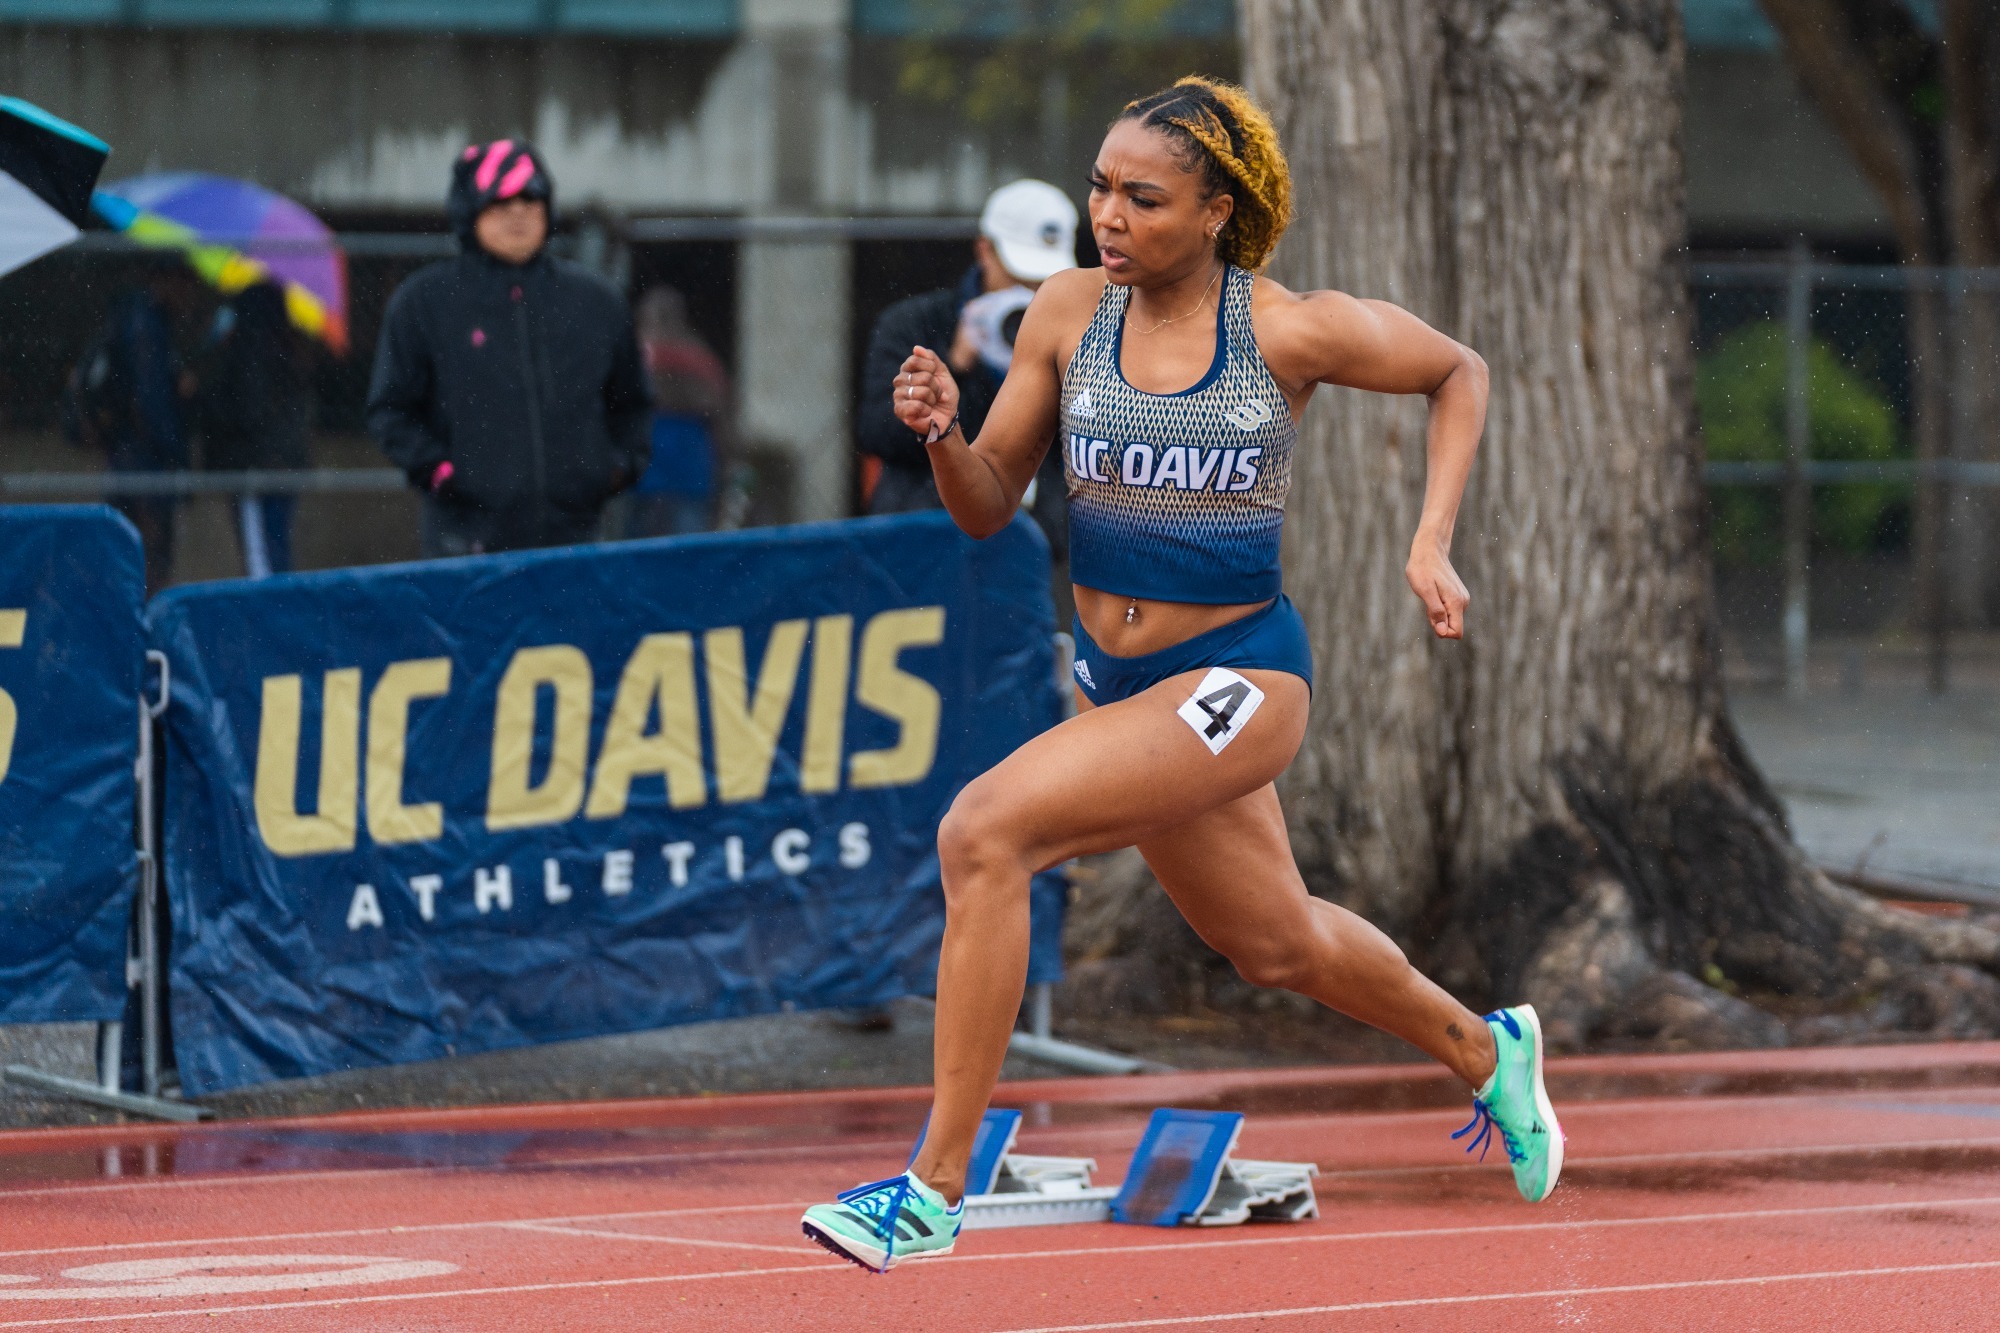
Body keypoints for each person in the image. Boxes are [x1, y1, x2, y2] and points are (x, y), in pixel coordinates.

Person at [801, 77, 1561, 1273]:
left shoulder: (1283, 329)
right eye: (1099, 187)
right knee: (1276, 945)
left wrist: (1429, 540)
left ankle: (930, 1190)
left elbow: (1455, 370)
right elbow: (988, 507)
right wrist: (944, 433)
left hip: (1240, 681)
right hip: (1119, 684)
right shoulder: (1061, 314)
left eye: (1140, 198)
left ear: (1214, 212)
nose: (1107, 214)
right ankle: (1483, 1047)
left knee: (982, 831)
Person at [366, 139, 652, 557]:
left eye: (531, 200)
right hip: (467, 544)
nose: (518, 213)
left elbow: (632, 402)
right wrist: (443, 474)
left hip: (578, 540)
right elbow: (390, 410)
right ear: (471, 211)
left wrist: (613, 470)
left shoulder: (595, 303)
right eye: (500, 203)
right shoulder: (425, 302)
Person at [856, 178, 1075, 548]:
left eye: (1045, 278)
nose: (1031, 291)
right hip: (927, 546)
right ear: (984, 251)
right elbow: (875, 432)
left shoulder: (1078, 331)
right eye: (1020, 273)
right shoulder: (915, 323)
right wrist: (956, 363)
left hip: (1038, 546)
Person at [62, 264, 198, 594]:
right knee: (147, 558)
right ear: (166, 281)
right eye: (185, 286)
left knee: (122, 553)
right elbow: (151, 401)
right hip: (144, 462)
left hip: (123, 457)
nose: (189, 298)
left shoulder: (133, 319)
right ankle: (142, 634)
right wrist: (176, 454)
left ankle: (125, 626)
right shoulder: (146, 327)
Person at [193, 280, 314, 576]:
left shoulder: (250, 350)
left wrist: (204, 385)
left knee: (261, 554)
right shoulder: (284, 347)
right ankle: (276, 612)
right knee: (273, 546)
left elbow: (246, 409)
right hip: (276, 465)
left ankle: (272, 616)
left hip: (256, 468)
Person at [626, 286, 732, 537]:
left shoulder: (692, 357)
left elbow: (718, 408)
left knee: (663, 542)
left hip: (678, 466)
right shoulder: (695, 356)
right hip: (662, 469)